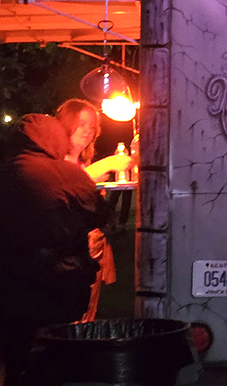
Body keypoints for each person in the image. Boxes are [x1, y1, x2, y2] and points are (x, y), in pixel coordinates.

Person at [0, 113, 109, 385]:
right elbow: (99, 214)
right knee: (57, 356)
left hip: (3, 283)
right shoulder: (65, 173)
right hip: (55, 282)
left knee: (17, 357)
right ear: (55, 139)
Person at [55, 98, 132, 321]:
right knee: (70, 315)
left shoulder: (83, 164)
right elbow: (64, 190)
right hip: (69, 257)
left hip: (92, 251)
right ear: (66, 124)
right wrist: (105, 165)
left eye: (92, 126)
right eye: (81, 124)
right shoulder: (55, 162)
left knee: (88, 312)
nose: (88, 130)